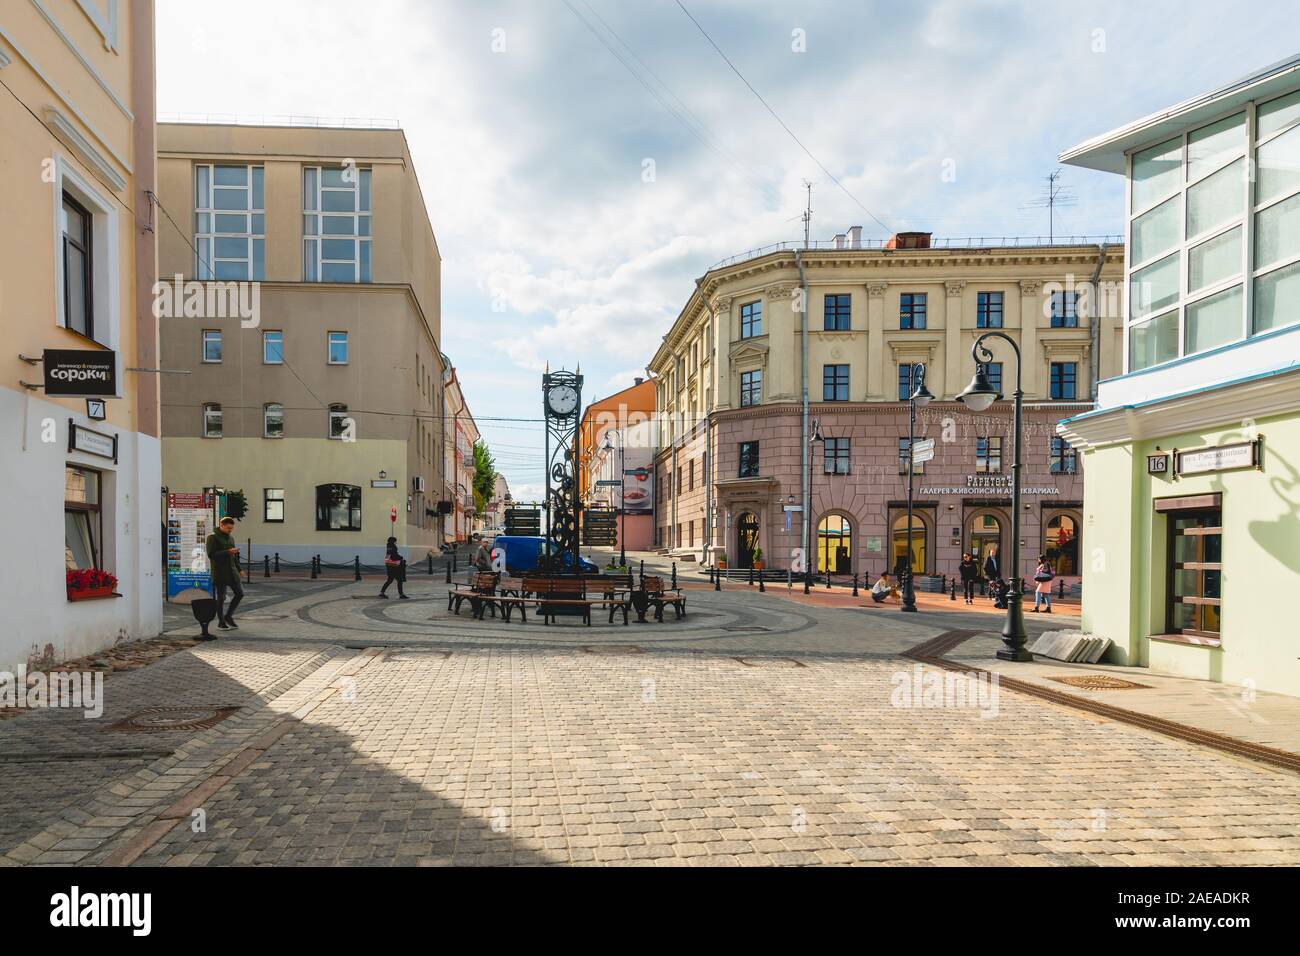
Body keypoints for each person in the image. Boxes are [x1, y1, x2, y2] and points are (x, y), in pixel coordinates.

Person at [206, 516, 243, 631]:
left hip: (232, 571)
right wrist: (227, 552)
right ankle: (221, 622)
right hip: (220, 572)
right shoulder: (212, 537)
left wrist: (239, 569)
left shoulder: (230, 538)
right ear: (221, 525)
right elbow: (211, 554)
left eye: (231, 528)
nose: (230, 530)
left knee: (240, 593)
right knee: (221, 597)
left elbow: (233, 556)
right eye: (228, 528)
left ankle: (228, 616)